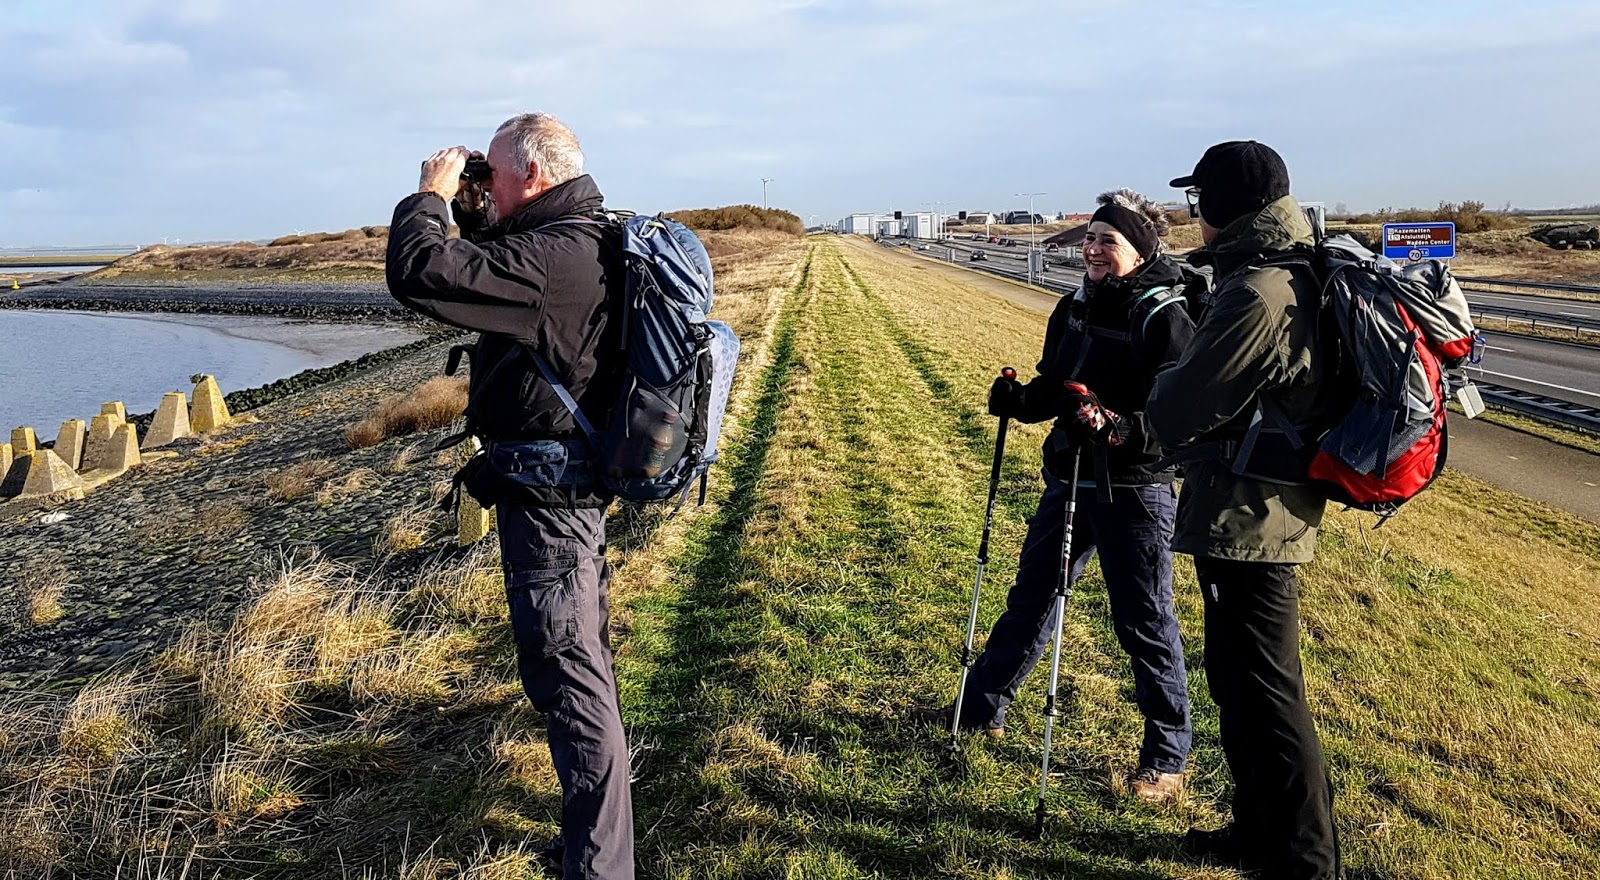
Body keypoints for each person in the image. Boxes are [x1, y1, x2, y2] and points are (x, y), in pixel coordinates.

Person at [385, 113, 634, 880]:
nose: (482, 185)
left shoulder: (555, 258)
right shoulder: (579, 239)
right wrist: (472, 206)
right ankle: (594, 845)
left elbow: (424, 274)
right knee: (578, 664)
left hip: (553, 507)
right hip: (560, 488)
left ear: (532, 173)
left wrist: (428, 196)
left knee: (569, 675)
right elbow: (491, 260)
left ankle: (601, 868)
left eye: (491, 173)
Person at [930, 189, 1199, 803]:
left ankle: (1166, 758)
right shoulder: (1074, 305)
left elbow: (1181, 413)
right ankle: (979, 711)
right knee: (1030, 598)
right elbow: (1057, 385)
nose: (1094, 250)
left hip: (1136, 491)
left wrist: (1118, 427)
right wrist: (1020, 402)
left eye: (1109, 241)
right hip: (1071, 476)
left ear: (1140, 251)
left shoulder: (1165, 315)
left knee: (1145, 621)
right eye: (1091, 239)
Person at [1146, 140, 1340, 878]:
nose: (1195, 214)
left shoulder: (1258, 291)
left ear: (1225, 206)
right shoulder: (1283, 270)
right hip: (1252, 505)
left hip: (1253, 514)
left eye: (1200, 200)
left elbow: (1178, 408)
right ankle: (1257, 831)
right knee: (1237, 679)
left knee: (1267, 690)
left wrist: (1164, 381)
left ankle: (1307, 861)